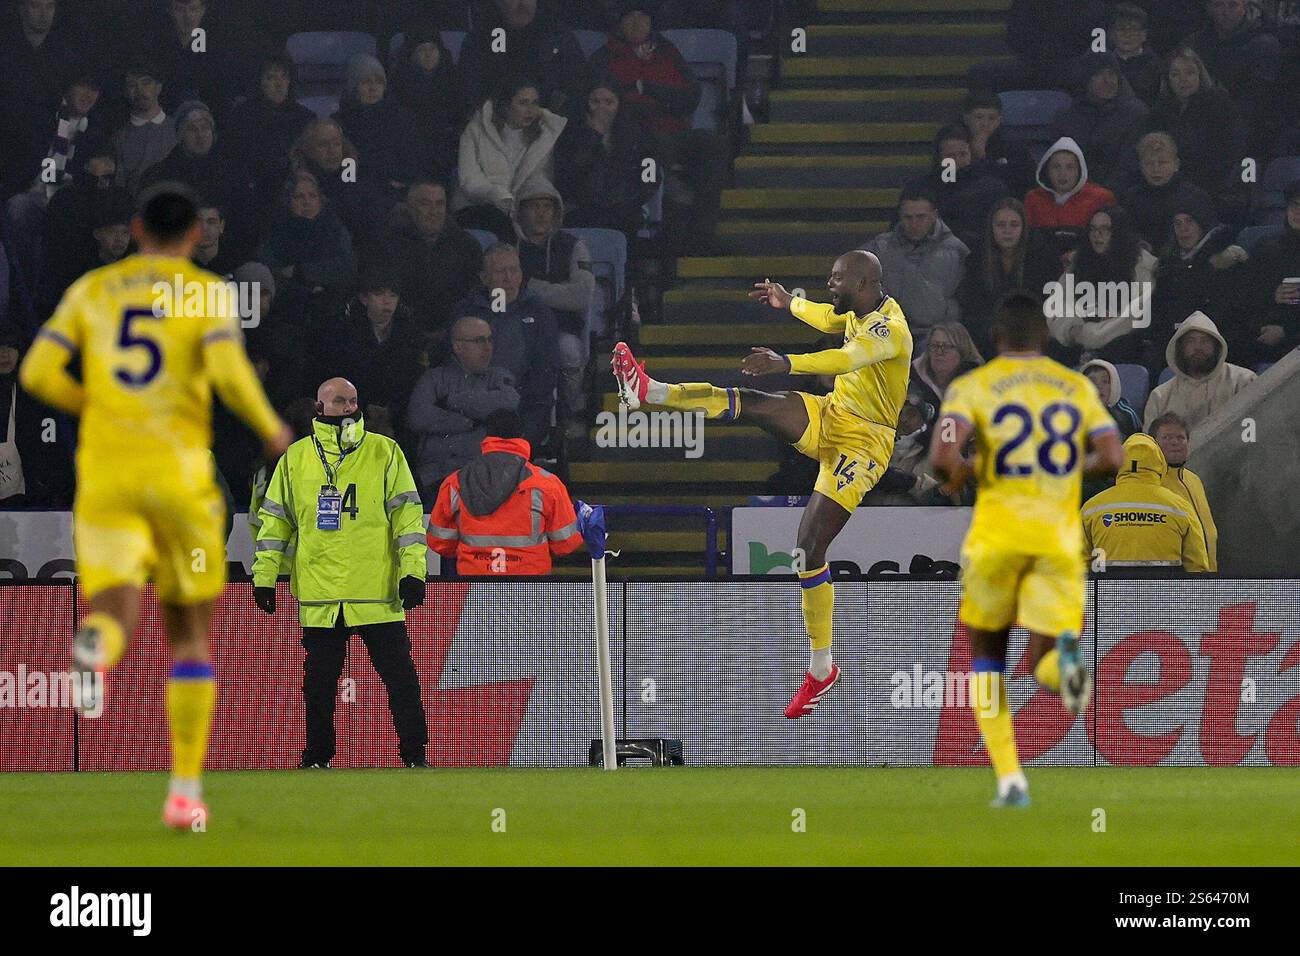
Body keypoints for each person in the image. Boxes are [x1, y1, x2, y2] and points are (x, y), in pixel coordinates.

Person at [18, 183, 292, 827]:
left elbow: (35, 373)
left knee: (115, 607)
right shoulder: (205, 293)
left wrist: (96, 405)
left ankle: (95, 646)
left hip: (108, 472)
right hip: (178, 474)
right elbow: (229, 373)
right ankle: (184, 792)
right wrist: (271, 427)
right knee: (190, 637)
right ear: (196, 235)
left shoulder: (94, 288)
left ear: (137, 230)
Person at [612, 250, 913, 718]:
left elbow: (846, 356)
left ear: (862, 282)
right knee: (754, 402)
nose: (829, 285)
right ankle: (649, 391)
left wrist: (786, 362)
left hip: (865, 444)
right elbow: (827, 319)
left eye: (836, 279)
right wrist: (787, 300)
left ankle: (821, 666)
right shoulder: (858, 309)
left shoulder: (888, 330)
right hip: (832, 414)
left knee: (808, 547)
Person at [928, 292, 1124, 808]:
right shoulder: (1076, 385)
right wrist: (1059, 473)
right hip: (1057, 540)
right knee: (1041, 657)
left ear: (995, 338)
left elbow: (943, 459)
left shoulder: (972, 386)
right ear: (1044, 336)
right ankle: (1063, 665)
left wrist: (969, 473)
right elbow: (1113, 456)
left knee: (987, 659)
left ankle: (1011, 778)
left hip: (997, 540)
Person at [252, 377, 431, 769]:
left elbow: (408, 517)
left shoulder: (385, 452)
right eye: (338, 401)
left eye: (353, 400)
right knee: (319, 686)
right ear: (319, 408)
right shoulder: (296, 458)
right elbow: (275, 523)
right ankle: (317, 757)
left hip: (377, 591)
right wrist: (264, 577)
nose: (348, 407)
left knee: (401, 681)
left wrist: (414, 572)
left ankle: (416, 757)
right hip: (322, 594)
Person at [591, 4, 730, 254]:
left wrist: (645, 88)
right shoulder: (604, 56)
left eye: (642, 16)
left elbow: (690, 96)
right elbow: (613, 101)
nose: (636, 22)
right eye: (630, 16)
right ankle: (667, 230)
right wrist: (663, 102)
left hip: (676, 133)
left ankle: (704, 230)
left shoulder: (667, 51)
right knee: (653, 144)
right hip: (632, 138)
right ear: (619, 23)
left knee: (713, 144)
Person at [427, 407, 583, 574]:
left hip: (475, 589)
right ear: (522, 436)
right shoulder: (547, 484)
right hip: (531, 591)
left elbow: (439, 542)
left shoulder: (455, 482)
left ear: (486, 437)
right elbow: (567, 543)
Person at [451, 244, 559, 448]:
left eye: (514, 270)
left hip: (525, 406)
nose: (509, 279)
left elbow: (546, 370)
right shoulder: (466, 311)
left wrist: (515, 399)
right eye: (501, 272)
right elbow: (453, 363)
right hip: (474, 403)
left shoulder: (539, 313)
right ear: (484, 278)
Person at [407, 315, 521, 501]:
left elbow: (509, 401)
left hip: (486, 480)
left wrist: (451, 401)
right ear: (457, 347)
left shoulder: (499, 376)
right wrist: (471, 422)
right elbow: (418, 416)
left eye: (489, 339)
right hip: (436, 477)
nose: (487, 347)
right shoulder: (435, 378)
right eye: (478, 341)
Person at [511, 177, 597, 423]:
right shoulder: (506, 247)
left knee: (570, 352)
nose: (541, 213)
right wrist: (557, 292)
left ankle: (570, 411)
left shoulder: (572, 247)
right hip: (514, 327)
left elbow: (581, 295)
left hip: (561, 329)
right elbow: (500, 291)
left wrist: (531, 288)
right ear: (520, 211)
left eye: (547, 207)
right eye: (533, 206)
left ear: (556, 211)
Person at [452, 77, 568, 242]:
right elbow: (469, 180)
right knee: (498, 220)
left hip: (522, 208)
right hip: (476, 206)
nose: (530, 110)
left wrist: (521, 205)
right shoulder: (476, 129)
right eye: (523, 103)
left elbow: (541, 179)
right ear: (506, 105)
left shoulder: (545, 134)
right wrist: (499, 196)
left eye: (534, 103)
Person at [1143, 47, 1249, 222]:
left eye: (1190, 73)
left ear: (1200, 74)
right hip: (1169, 186)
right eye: (1175, 74)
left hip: (1214, 186)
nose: (1183, 80)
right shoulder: (1159, 112)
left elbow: (1232, 152)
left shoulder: (1219, 104)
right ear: (1167, 79)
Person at [1081, 432, 1212, 572]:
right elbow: (1198, 570)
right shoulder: (1181, 508)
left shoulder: (1091, 509)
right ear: (1160, 464)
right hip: (1164, 594)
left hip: (1108, 593)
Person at [1048, 206, 1158, 367]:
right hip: (1079, 339)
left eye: (1105, 229)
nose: (1097, 235)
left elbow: (1135, 317)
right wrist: (1070, 329)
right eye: (1093, 229)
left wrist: (1091, 334)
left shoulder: (1143, 266)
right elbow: (1056, 306)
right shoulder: (1079, 261)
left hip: (1121, 344)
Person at [382, 180, 484, 354]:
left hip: (454, 339)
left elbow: (476, 294)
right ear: (409, 207)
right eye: (425, 204)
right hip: (398, 338)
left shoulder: (466, 245)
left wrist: (451, 329)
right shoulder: (388, 244)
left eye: (439, 204)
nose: (434, 212)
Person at [555, 76, 660, 243]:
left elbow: (650, 176)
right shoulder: (570, 135)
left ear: (619, 105)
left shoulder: (638, 136)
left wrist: (626, 199)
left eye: (609, 102)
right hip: (584, 209)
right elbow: (568, 174)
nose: (601, 108)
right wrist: (593, 136)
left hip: (625, 209)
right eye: (595, 102)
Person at [1151, 192, 1249, 366]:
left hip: (1220, 347)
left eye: (1189, 221)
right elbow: (1160, 313)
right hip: (1173, 345)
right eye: (1178, 223)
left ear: (1202, 224)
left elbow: (1234, 311)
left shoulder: (1224, 263)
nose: (1183, 228)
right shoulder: (1166, 266)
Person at [956, 197, 1058, 357]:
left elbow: (1048, 304)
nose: (1007, 231)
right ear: (991, 228)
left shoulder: (1042, 259)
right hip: (989, 339)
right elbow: (973, 307)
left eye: (1014, 225)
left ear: (1024, 228)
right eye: (1001, 225)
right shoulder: (977, 260)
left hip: (1031, 337)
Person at [860, 187, 967, 339]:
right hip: (889, 333)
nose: (914, 223)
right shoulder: (881, 247)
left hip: (937, 335)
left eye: (921, 217)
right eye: (908, 218)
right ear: (900, 217)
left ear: (934, 216)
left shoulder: (956, 251)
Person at [458, 0, 591, 118]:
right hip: (495, 128)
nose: (522, 4)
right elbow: (471, 94)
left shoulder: (559, 36)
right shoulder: (479, 39)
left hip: (550, 127)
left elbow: (577, 89)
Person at [1051, 52, 1149, 191]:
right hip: (1076, 194)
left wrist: (1101, 197)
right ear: (1086, 79)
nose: (1107, 80)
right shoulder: (1066, 117)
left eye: (1112, 74)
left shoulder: (1136, 115)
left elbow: (1129, 167)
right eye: (1099, 74)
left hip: (1120, 196)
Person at [1143, 311, 1256, 432]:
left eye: (1205, 341)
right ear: (1179, 347)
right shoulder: (1160, 396)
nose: (1198, 347)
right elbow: (1151, 445)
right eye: (1190, 341)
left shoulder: (1243, 381)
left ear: (1216, 345)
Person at [905, 124, 1010, 252]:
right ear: (939, 158)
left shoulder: (993, 189)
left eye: (963, 154)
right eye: (951, 156)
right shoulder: (920, 189)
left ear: (971, 154)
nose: (958, 161)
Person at [1117, 131, 1219, 251]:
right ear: (1141, 167)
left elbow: (1212, 237)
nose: (1156, 169)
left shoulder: (1196, 198)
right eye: (1149, 163)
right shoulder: (1130, 199)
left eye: (1162, 162)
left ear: (1176, 164)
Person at [1022, 136, 1117, 258]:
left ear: (1080, 170)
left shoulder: (1101, 198)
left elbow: (1113, 242)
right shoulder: (1033, 198)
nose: (1063, 174)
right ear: (1046, 170)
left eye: (1070, 167)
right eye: (1056, 167)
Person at [1150, 411, 1218, 570]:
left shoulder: (1194, 480)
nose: (1175, 442)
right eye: (1167, 437)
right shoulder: (1151, 482)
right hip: (1175, 580)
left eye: (1180, 437)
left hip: (1207, 577)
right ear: (1153, 444)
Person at [1243, 180, 1300, 365]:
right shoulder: (1266, 248)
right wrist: (1271, 294)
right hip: (1268, 353)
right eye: (1295, 205)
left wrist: (1287, 333)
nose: (1298, 212)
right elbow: (1245, 298)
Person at [111, 60, 176, 194]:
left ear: (158, 87)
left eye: (146, 83)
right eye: (132, 85)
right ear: (125, 92)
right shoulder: (118, 138)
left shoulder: (180, 128)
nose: (140, 90)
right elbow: (120, 187)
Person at [958, 89, 1035, 199]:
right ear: (966, 119)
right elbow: (947, 181)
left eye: (991, 118)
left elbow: (1024, 185)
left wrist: (983, 159)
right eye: (979, 117)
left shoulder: (1013, 147)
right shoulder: (952, 143)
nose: (985, 124)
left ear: (999, 121)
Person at [909, 321, 983, 411]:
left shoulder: (978, 382)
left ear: (963, 351)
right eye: (934, 346)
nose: (939, 352)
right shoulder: (913, 378)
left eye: (947, 347)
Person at [1108, 3, 1162, 106]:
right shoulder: (1102, 63)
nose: (1127, 34)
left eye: (1134, 29)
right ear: (1112, 34)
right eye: (1121, 29)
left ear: (1144, 35)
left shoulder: (1157, 67)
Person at [1081, 358, 1143, 437]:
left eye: (1105, 381)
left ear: (1114, 385)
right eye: (1092, 382)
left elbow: (1139, 442)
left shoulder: (1126, 414)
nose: (1099, 386)